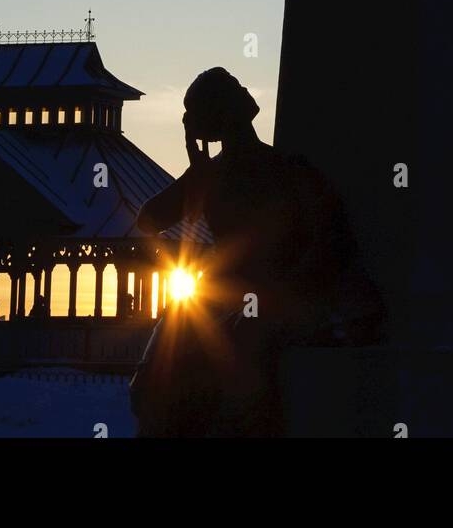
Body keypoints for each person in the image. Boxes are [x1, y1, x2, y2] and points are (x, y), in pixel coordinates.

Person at [130, 68, 381, 437]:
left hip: (274, 302)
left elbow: (326, 242)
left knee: (242, 359)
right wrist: (196, 175)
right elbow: (149, 219)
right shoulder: (210, 175)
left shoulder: (285, 170)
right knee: (161, 371)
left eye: (200, 116)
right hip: (232, 302)